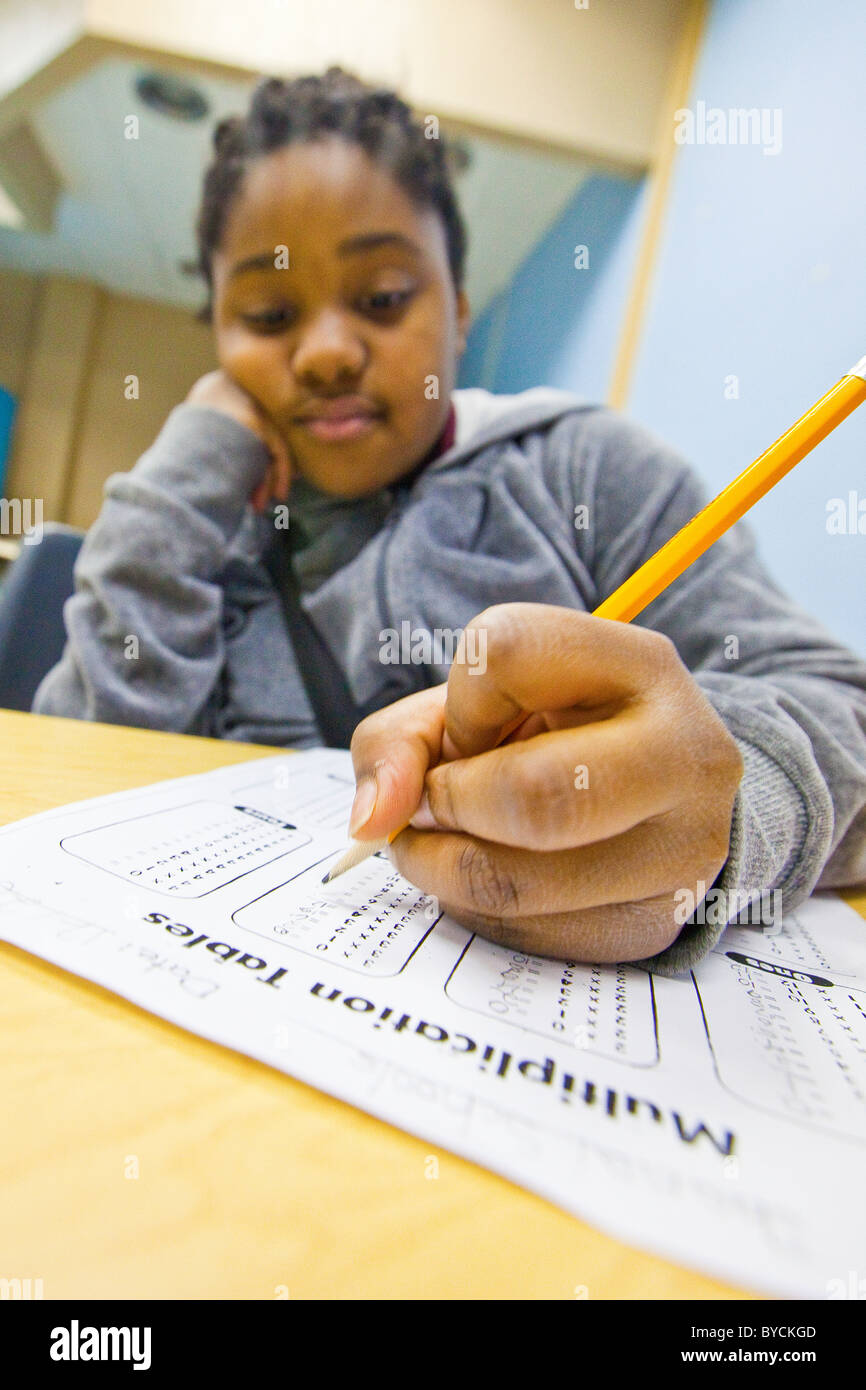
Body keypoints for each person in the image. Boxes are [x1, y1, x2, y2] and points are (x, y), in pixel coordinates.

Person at [33, 67, 866, 977]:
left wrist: (726, 820)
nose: (325, 352)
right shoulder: (206, 530)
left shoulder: (585, 473)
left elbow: (843, 714)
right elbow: (68, 782)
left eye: (384, 298)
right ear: (219, 340)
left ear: (459, 312)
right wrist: (190, 466)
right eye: (270, 314)